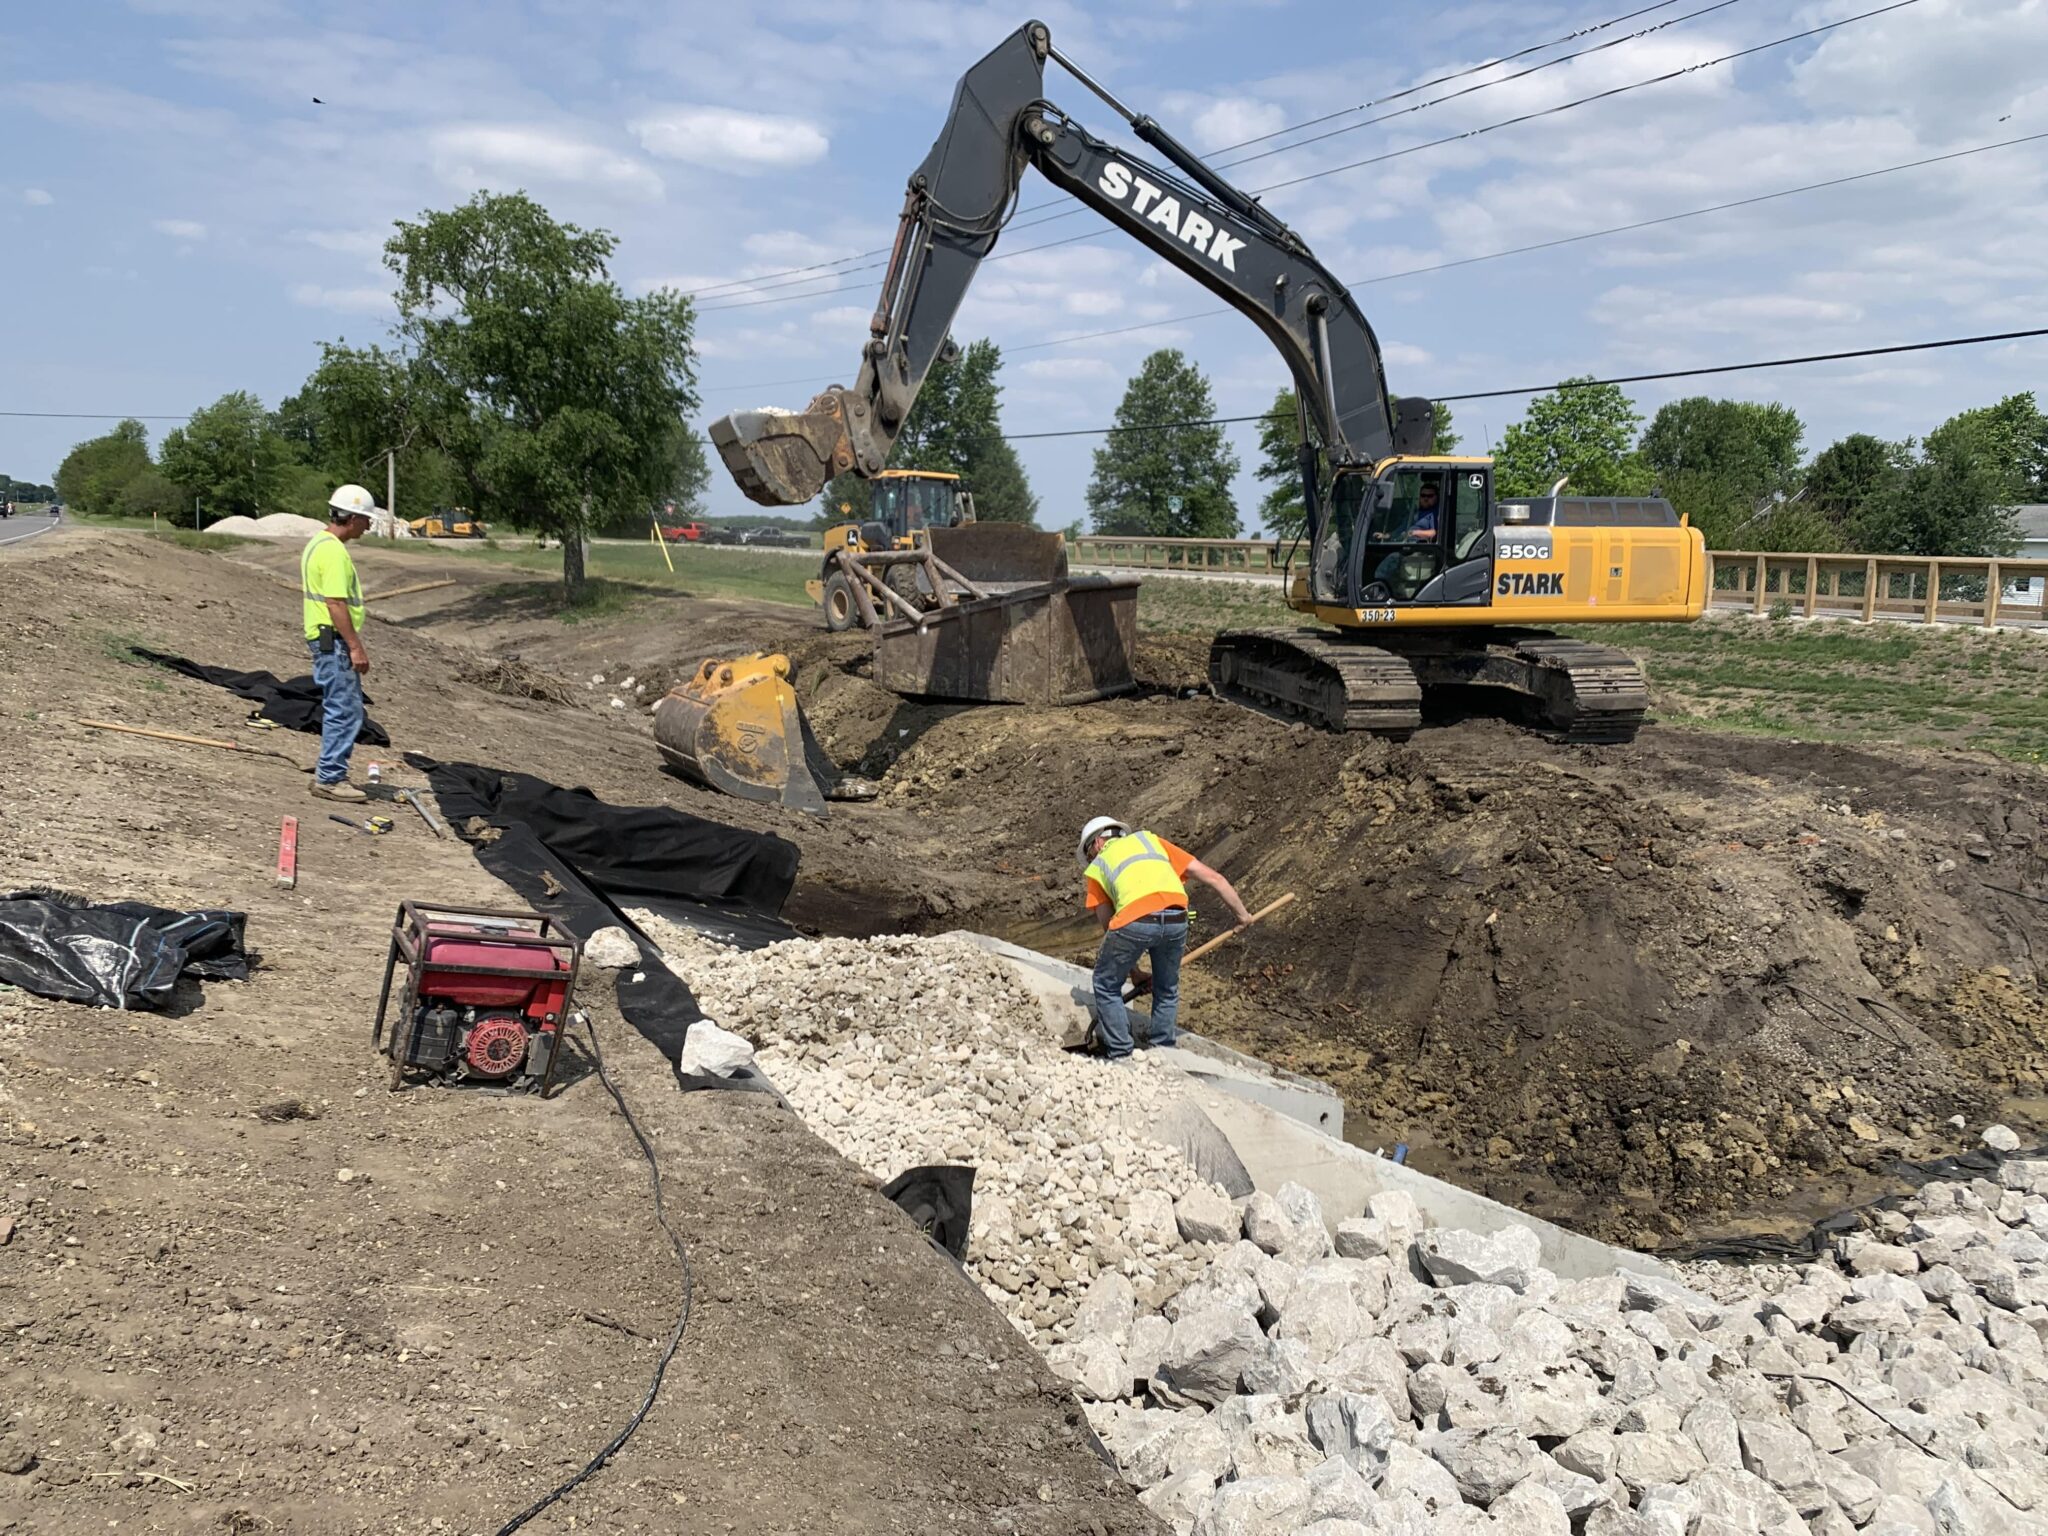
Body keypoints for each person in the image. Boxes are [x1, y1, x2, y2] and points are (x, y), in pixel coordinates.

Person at [1077, 816, 1253, 1061]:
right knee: (1167, 987)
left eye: (1088, 854)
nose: (1090, 860)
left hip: (1134, 922)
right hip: (1176, 918)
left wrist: (1133, 970)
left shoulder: (1098, 866)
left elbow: (1110, 927)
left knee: (1106, 984)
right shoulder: (1152, 842)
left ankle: (1121, 1055)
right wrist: (1243, 916)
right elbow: (1215, 878)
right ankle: (1164, 1052)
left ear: (1096, 843)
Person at [302, 484, 377, 802]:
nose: (369, 525)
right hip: (333, 641)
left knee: (341, 706)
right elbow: (335, 603)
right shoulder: (333, 551)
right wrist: (355, 646)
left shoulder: (318, 543)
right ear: (352, 518)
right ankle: (331, 778)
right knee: (345, 709)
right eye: (366, 519)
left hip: (324, 638)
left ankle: (329, 770)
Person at [1371, 478, 1439, 594]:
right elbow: (1402, 529)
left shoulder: (1434, 513)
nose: (1426, 499)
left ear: (1436, 497)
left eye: (1430, 496)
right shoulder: (1414, 512)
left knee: (1382, 570)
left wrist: (1416, 533)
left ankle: (1379, 593)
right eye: (1423, 496)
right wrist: (1386, 536)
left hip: (1416, 548)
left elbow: (1434, 533)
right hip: (1403, 543)